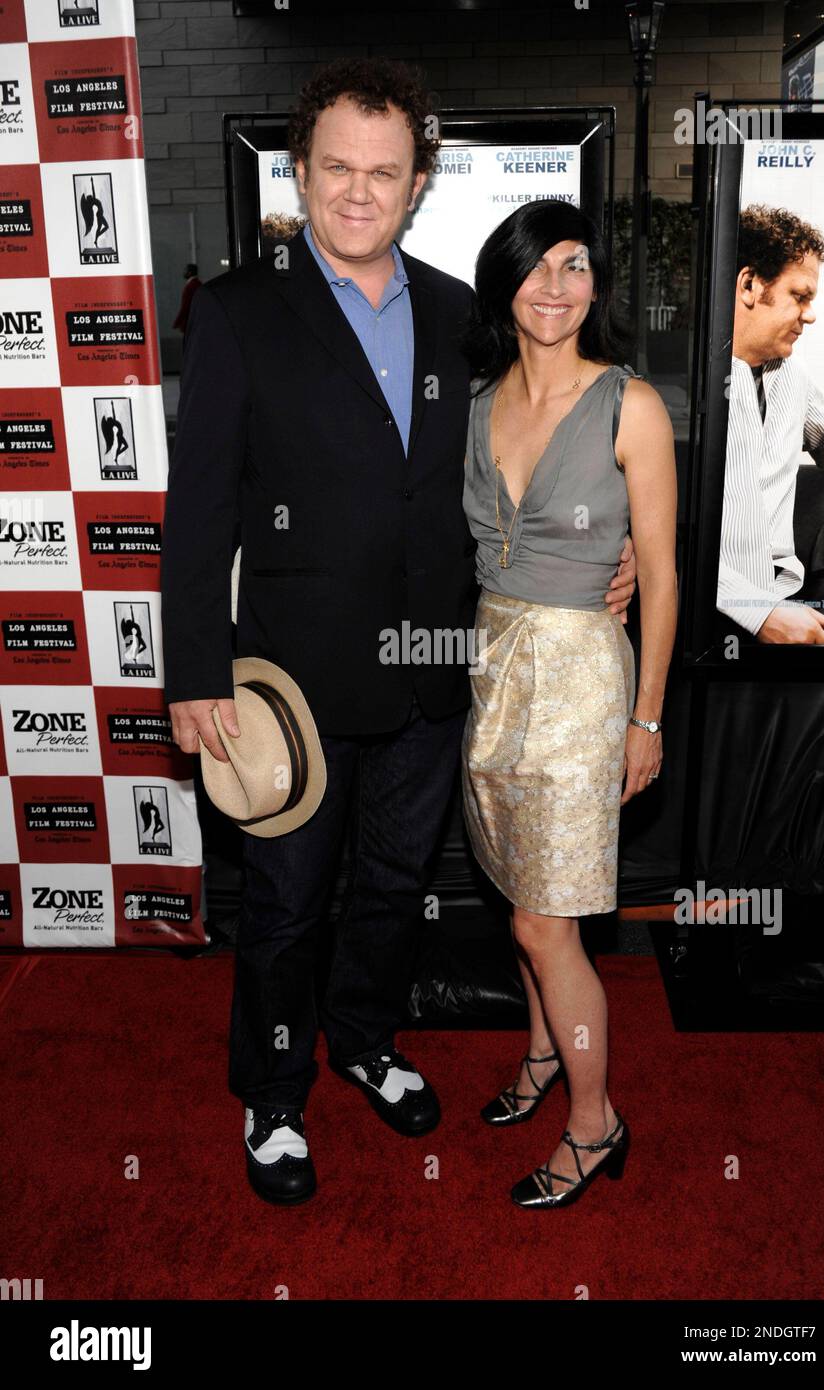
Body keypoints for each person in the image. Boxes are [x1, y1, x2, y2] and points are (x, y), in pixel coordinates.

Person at [160, 58, 637, 1207]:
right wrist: (192, 671)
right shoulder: (236, 310)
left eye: (385, 172)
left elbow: (521, 448)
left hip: (434, 672)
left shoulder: (451, 311)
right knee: (282, 899)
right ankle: (274, 1096)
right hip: (291, 686)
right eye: (337, 168)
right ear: (302, 169)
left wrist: (602, 551)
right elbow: (198, 508)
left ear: (418, 181)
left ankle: (363, 1038)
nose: (360, 193)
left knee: (389, 884)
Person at [461, 200, 678, 1209]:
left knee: (549, 924)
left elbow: (663, 575)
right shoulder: (475, 403)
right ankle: (544, 1052)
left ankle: (593, 1126)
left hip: (583, 681)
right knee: (520, 898)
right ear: (502, 283)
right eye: (535, 267)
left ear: (595, 285)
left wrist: (646, 717)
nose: (555, 285)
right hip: (494, 669)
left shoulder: (627, 404)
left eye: (575, 265)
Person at [717, 204, 824, 645]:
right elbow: (657, 545)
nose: (810, 315)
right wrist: (756, 612)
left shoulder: (791, 379)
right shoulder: (680, 395)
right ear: (749, 285)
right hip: (717, 614)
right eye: (799, 297)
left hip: (789, 598)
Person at [172, 262, 202, 339]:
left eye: (185, 270)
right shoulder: (199, 284)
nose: (184, 272)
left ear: (190, 272)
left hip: (190, 323)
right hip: (198, 321)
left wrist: (177, 322)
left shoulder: (190, 286)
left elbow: (185, 306)